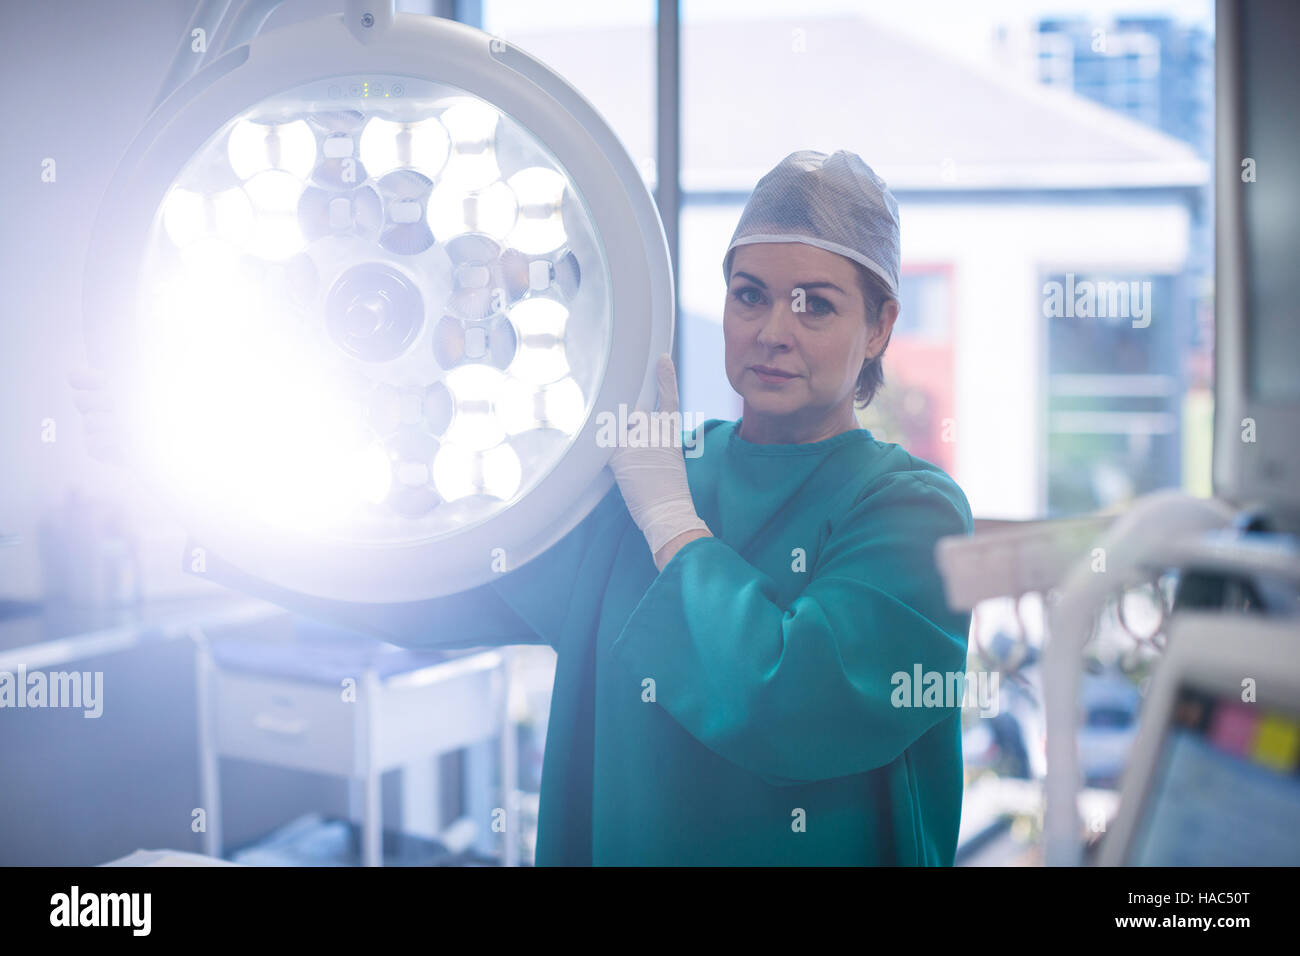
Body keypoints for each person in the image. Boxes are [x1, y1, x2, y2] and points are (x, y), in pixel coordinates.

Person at [74, 150, 973, 865]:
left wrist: (672, 524)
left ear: (881, 326)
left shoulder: (912, 514)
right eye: (751, 295)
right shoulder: (649, 465)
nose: (775, 328)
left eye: (817, 305)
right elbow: (431, 584)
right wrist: (200, 506)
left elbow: (792, 702)